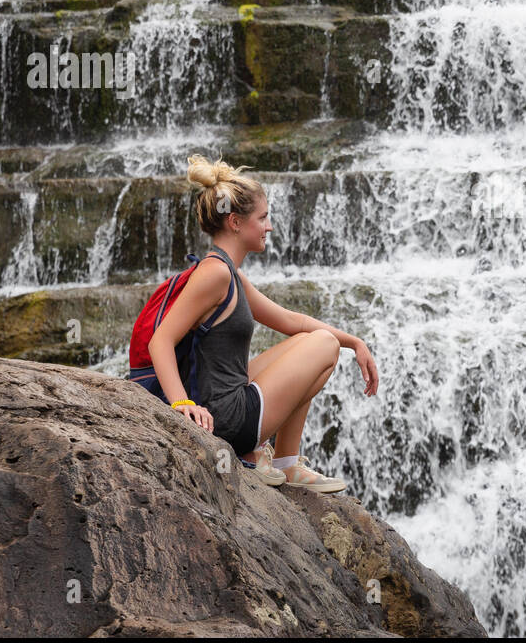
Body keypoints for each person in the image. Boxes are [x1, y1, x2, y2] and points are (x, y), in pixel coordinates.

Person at [148, 155, 378, 492]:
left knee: (313, 339)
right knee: (324, 344)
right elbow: (161, 340)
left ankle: (287, 463)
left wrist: (355, 342)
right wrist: (182, 405)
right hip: (227, 418)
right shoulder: (215, 273)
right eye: (263, 218)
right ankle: (261, 456)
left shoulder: (229, 272)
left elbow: (290, 320)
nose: (269, 227)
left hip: (230, 406)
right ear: (236, 223)